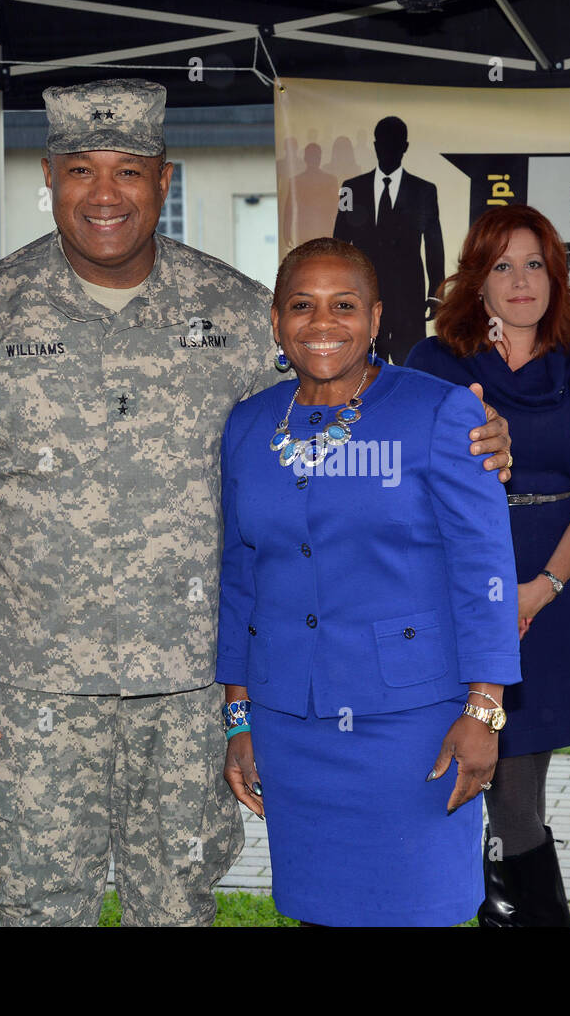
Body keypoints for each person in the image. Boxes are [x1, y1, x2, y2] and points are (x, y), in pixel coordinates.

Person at [0, 79, 514, 927]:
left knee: (178, 906)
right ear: (48, 176)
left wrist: (471, 432)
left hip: (189, 695)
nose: (105, 194)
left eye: (130, 172)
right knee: (37, 903)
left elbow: (340, 402)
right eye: (81, 171)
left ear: (164, 182)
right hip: (30, 690)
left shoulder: (240, 313)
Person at [217, 237, 521, 927]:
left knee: (416, 911)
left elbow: (485, 574)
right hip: (291, 725)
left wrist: (484, 710)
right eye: (302, 305)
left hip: (414, 728)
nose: (322, 324)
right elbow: (242, 577)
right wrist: (239, 713)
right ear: (275, 320)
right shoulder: (248, 424)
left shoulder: (443, 414)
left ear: (377, 317)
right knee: (319, 914)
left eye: (344, 305)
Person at [407, 204, 570, 926]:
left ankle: (518, 914)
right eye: (501, 265)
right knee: (461, 781)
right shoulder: (435, 363)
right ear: (477, 281)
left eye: (535, 263)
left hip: (551, 599)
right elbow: (407, 486)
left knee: (518, 794)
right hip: (458, 591)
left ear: (555, 277)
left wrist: (544, 587)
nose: (520, 280)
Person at [333, 116, 444, 365]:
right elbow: (339, 245)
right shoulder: (351, 188)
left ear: (405, 147)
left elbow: (434, 244)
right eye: (384, 143)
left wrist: (436, 293)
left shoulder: (424, 191)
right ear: (375, 146)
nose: (388, 149)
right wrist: (338, 292)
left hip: (410, 299)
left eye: (395, 144)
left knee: (413, 371)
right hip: (365, 297)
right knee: (365, 371)